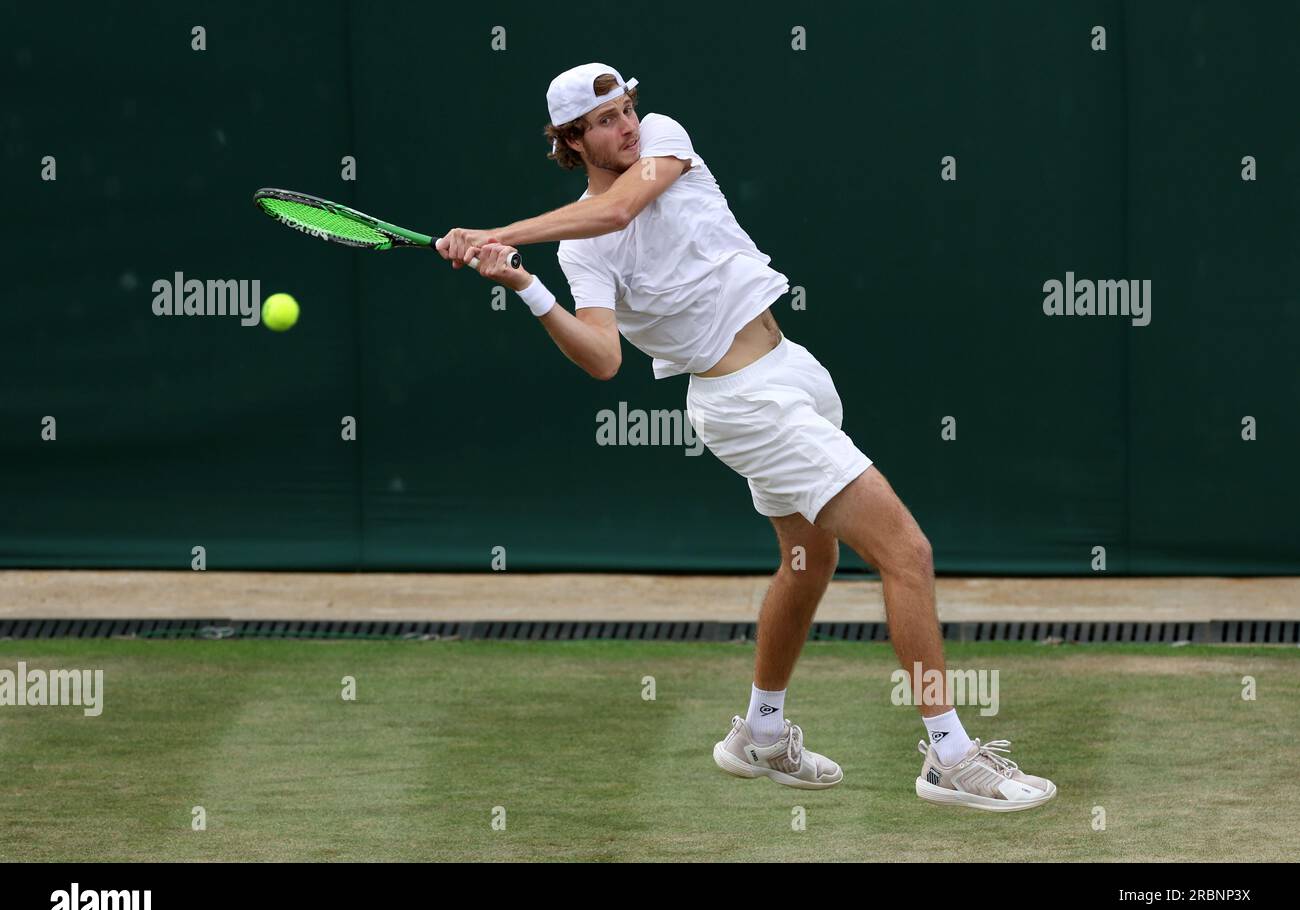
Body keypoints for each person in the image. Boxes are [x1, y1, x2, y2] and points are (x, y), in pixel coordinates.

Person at [435, 63, 1055, 810]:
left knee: (808, 558)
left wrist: (496, 233)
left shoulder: (662, 142)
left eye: (627, 108)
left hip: (792, 369)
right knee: (907, 551)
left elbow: (619, 209)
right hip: (745, 403)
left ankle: (760, 733)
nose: (627, 125)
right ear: (572, 138)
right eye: (605, 121)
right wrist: (526, 286)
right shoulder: (578, 250)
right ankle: (948, 755)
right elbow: (603, 357)